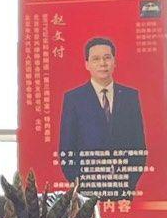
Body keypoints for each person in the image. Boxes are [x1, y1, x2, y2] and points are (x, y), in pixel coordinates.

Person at [55, 36, 148, 201]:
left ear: (114, 62)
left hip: (123, 190)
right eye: (96, 59)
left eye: (107, 57)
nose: (102, 63)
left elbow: (139, 145)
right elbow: (66, 149)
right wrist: (81, 188)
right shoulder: (74, 98)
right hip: (87, 193)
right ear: (87, 64)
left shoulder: (130, 97)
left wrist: (128, 184)